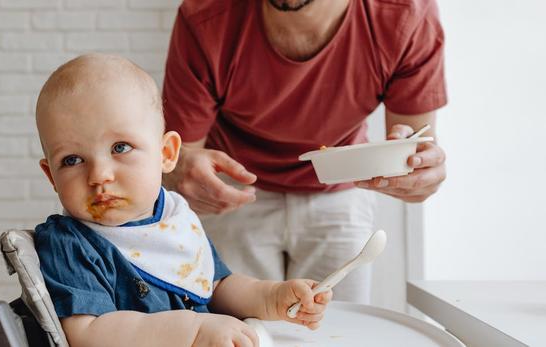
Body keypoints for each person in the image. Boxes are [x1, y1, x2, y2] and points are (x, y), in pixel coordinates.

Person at [33, 53, 333, 347]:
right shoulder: (71, 243)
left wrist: (272, 298)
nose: (99, 175)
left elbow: (216, 286)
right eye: (72, 160)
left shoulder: (174, 219)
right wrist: (192, 331)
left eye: (120, 147)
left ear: (166, 154)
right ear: (51, 177)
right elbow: (88, 334)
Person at [162, 0, 447, 304]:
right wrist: (179, 171)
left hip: (340, 189)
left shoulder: (405, 15)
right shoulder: (205, 16)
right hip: (235, 188)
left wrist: (419, 169)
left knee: (338, 327)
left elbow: (413, 142)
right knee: (237, 326)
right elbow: (180, 153)